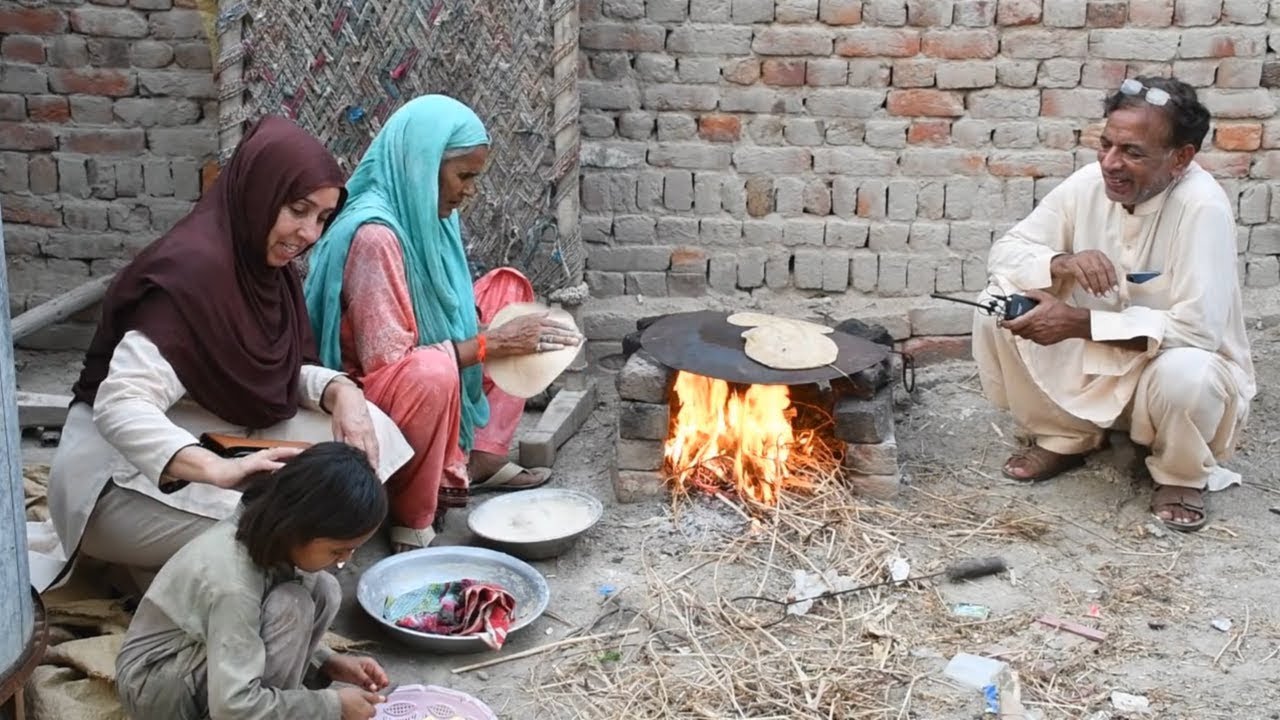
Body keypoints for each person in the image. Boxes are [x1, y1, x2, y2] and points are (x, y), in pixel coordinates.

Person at [45, 115, 413, 594]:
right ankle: (159, 572)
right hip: (113, 485)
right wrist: (218, 470)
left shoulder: (265, 272)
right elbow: (121, 404)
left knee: (366, 434)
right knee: (278, 527)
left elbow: (277, 370)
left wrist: (343, 392)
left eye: (322, 218)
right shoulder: (191, 276)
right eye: (298, 210)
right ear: (259, 193)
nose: (309, 233)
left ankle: (174, 567)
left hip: (203, 428)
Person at [972, 76, 1255, 533]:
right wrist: (1061, 262)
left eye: (1132, 152)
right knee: (1000, 302)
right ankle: (1066, 436)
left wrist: (1078, 323)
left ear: (1181, 158)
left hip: (1160, 374)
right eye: (1105, 145)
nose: (1110, 163)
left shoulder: (1202, 207)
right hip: (1098, 366)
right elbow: (1005, 252)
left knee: (1190, 374)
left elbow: (1198, 330)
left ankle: (1180, 473)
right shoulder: (1088, 183)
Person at [304, 94, 581, 551]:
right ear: (423, 165)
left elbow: (447, 306)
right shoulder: (374, 236)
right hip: (371, 397)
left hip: (422, 360)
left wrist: (490, 331)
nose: (470, 191)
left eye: (475, 177)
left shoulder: (428, 211)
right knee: (433, 374)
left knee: (508, 291)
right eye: (463, 176)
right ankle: (410, 513)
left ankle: (482, 457)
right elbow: (392, 365)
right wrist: (491, 344)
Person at [116, 442, 391, 720]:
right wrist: (331, 706)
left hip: (194, 666)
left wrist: (327, 662)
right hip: (159, 689)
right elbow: (232, 706)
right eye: (338, 550)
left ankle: (274, 704)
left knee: (323, 589)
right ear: (297, 529)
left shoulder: (269, 535)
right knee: (290, 606)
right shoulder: (233, 584)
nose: (345, 559)